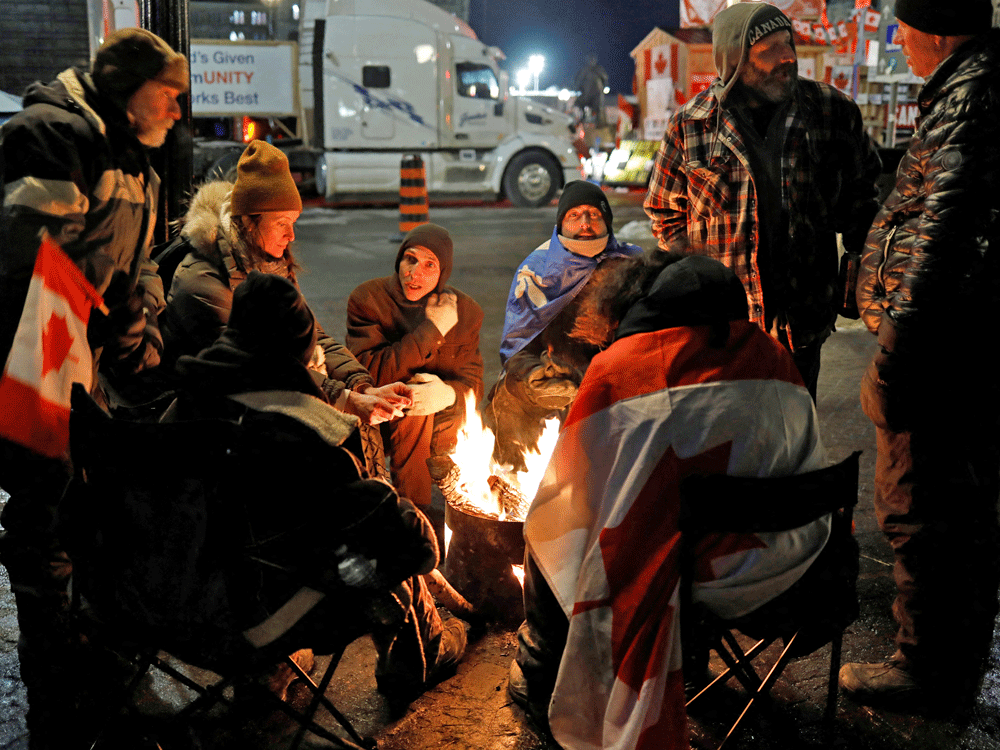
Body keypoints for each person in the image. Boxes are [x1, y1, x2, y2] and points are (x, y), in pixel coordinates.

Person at [508, 253, 833, 749]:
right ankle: (694, 658)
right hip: (800, 567)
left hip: (695, 582)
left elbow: (573, 488)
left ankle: (538, 668)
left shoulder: (620, 367)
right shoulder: (773, 354)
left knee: (549, 523)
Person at [0, 27, 187, 746]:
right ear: (126, 87)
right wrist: (121, 314)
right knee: (45, 528)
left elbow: (135, 260)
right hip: (31, 365)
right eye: (166, 93)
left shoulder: (136, 158)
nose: (176, 109)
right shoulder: (51, 134)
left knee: (97, 519)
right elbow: (39, 253)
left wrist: (145, 330)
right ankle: (56, 703)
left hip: (84, 366)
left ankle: (98, 670)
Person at [163, 271, 468, 707]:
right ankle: (420, 660)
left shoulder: (183, 408)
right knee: (386, 551)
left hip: (177, 608)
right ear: (302, 348)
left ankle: (276, 667)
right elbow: (411, 545)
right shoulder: (309, 433)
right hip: (258, 616)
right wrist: (414, 529)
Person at [839, 0, 1000, 710]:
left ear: (937, 29)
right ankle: (946, 661)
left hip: (939, 344)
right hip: (956, 337)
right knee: (956, 505)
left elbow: (946, 229)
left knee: (920, 503)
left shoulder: (973, 93)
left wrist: (898, 340)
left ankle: (928, 668)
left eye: (904, 28)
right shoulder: (972, 84)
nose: (897, 41)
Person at [643, 2, 881, 399]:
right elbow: (665, 213)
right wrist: (694, 282)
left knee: (793, 438)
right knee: (729, 443)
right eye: (769, 49)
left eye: (788, 43)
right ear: (735, 59)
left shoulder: (829, 111)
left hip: (803, 319)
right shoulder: (692, 124)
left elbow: (862, 196)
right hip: (723, 324)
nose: (788, 56)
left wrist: (857, 262)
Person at [159, 139, 409, 431]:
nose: (291, 235)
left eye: (294, 222)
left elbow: (311, 334)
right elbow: (254, 366)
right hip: (207, 422)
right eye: (282, 223)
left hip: (260, 401)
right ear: (250, 223)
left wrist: (362, 386)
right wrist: (345, 399)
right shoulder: (202, 280)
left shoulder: (269, 261)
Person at [485, 180, 643, 472]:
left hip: (616, 378)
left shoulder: (632, 264)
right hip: (556, 375)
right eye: (574, 215)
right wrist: (533, 374)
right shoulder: (537, 271)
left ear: (606, 220)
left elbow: (650, 336)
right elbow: (517, 346)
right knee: (506, 400)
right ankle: (517, 492)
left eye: (593, 214)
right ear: (561, 223)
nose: (585, 223)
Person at [346, 223, 484, 510]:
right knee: (410, 403)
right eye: (410, 259)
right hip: (377, 413)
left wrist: (447, 394)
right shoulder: (368, 299)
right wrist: (432, 329)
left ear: (443, 271)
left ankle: (465, 513)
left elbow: (474, 382)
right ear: (399, 260)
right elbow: (368, 372)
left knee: (427, 404)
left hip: (444, 420)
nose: (414, 273)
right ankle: (415, 517)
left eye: (429, 264)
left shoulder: (466, 311)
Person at [573, 54, 608, 126]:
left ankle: (599, 123)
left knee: (598, 108)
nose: (591, 61)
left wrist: (605, 87)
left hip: (597, 93)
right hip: (587, 92)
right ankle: (582, 118)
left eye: (593, 60)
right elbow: (579, 80)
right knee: (580, 103)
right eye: (590, 60)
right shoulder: (585, 69)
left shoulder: (599, 69)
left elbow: (605, 78)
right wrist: (577, 88)